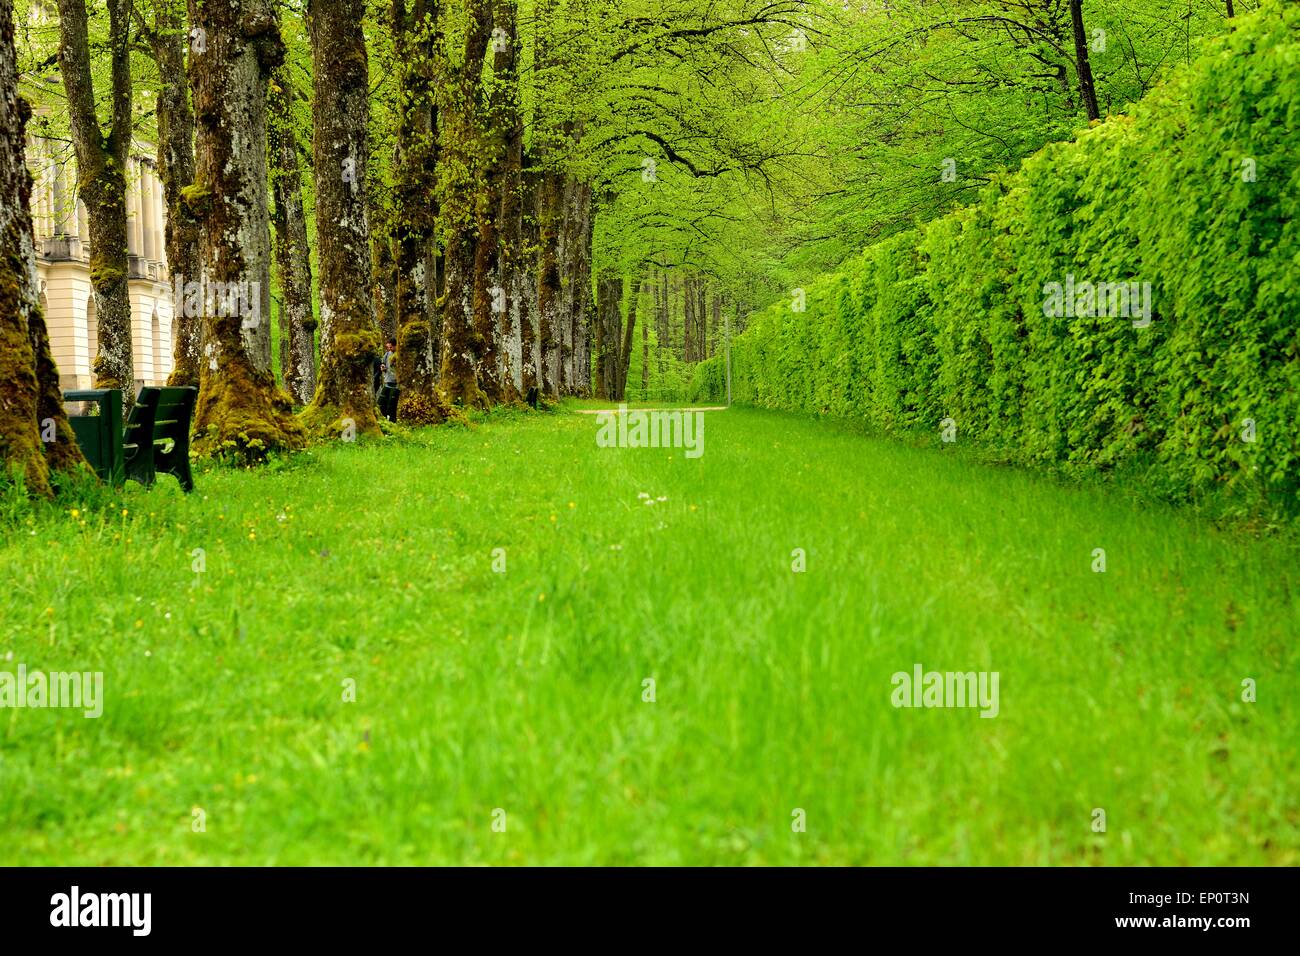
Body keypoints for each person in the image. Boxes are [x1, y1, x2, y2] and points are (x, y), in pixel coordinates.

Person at [378, 339, 399, 422]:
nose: (389, 349)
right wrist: (382, 366)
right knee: (381, 402)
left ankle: (392, 421)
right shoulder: (387, 354)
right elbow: (382, 362)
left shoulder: (399, 355)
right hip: (387, 381)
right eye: (388, 347)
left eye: (391, 347)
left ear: (395, 346)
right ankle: (383, 420)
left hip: (396, 384)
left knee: (392, 404)